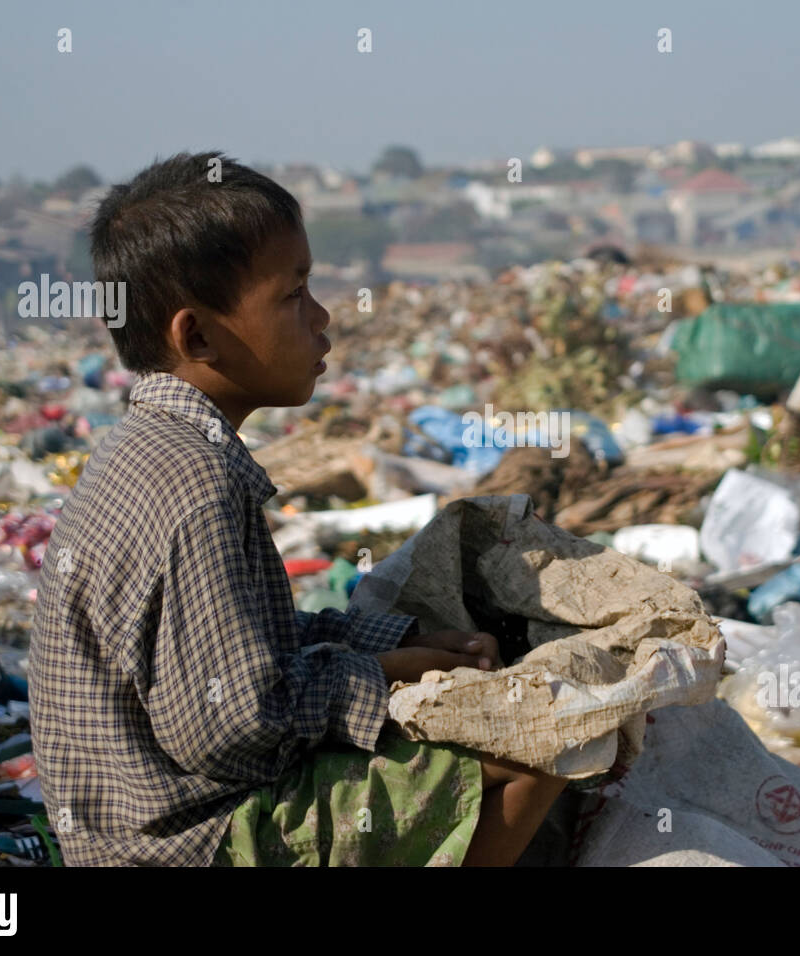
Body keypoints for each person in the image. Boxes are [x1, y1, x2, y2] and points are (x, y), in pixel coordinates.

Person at [28, 151, 566, 867]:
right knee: (551, 745)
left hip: (156, 818)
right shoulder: (195, 486)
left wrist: (400, 644)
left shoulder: (153, 448)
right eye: (294, 295)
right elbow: (227, 726)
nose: (322, 318)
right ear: (198, 337)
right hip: (193, 839)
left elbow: (257, 640)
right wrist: (381, 677)